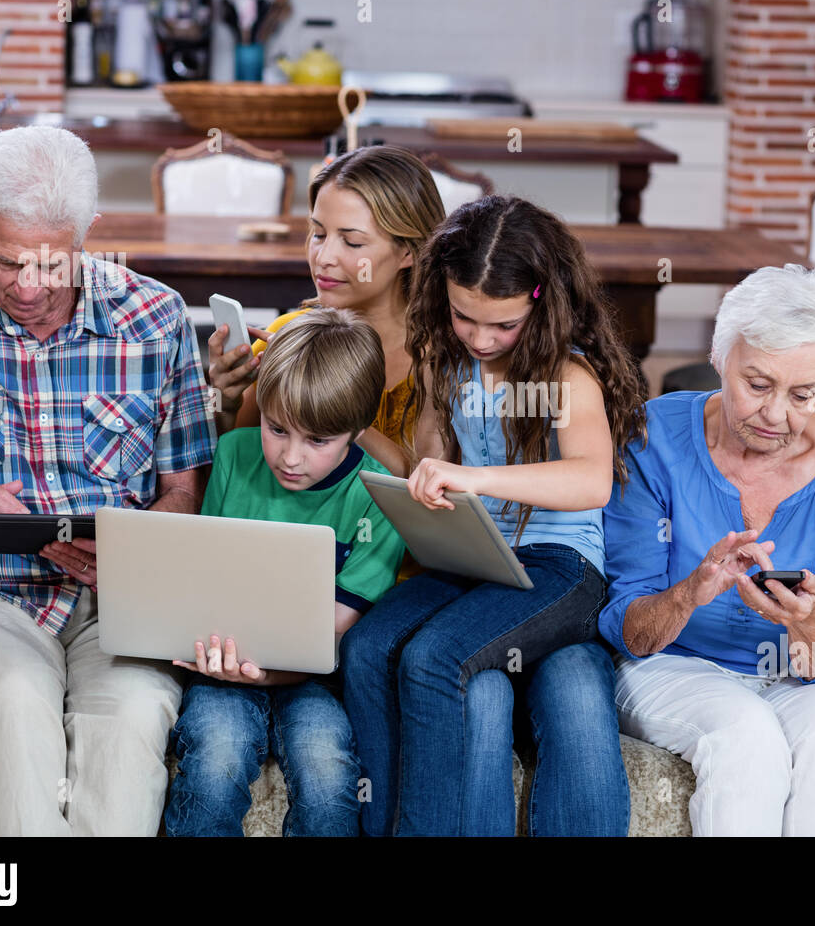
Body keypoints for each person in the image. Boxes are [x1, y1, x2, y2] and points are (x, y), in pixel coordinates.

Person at [0, 126, 216, 835]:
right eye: (6, 262)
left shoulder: (155, 320)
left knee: (131, 723)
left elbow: (186, 488)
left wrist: (147, 541)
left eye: (52, 264)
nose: (28, 287)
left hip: (115, 602)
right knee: (18, 700)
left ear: (86, 233)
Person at [340, 195, 648, 836]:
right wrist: (356, 430)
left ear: (542, 301)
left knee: (432, 658)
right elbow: (427, 465)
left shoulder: (568, 375)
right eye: (463, 317)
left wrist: (471, 478)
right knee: (367, 645)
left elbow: (591, 480)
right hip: (474, 553)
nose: (480, 339)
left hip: (560, 567)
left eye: (502, 326)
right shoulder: (445, 362)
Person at [600, 264, 815, 836]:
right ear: (719, 357)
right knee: (747, 736)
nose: (777, 415)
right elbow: (628, 633)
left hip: (790, 677)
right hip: (671, 666)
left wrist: (812, 621)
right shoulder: (650, 437)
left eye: (803, 395)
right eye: (757, 385)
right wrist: (689, 593)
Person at [163, 309, 405, 836]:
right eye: (276, 430)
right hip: (221, 665)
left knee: (327, 773)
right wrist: (220, 662)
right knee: (213, 762)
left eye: (318, 441)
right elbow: (199, 579)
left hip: (312, 678)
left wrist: (268, 673)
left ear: (358, 432)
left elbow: (328, 638)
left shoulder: (379, 497)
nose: (291, 458)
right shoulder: (231, 454)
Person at [207, 145, 445, 475]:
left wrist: (337, 400)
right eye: (318, 233)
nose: (323, 257)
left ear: (407, 251)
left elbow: (422, 488)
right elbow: (235, 472)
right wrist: (224, 401)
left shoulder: (447, 358)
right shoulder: (285, 336)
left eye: (352, 242)